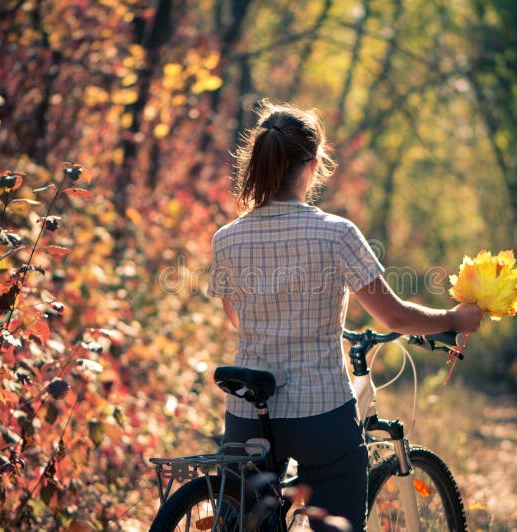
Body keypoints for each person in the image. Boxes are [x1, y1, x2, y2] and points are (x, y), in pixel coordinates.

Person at [206, 101, 482, 531]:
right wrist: (455, 319)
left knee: (248, 520)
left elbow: (236, 319)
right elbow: (399, 319)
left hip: (246, 412)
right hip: (319, 412)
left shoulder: (226, 239)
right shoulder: (335, 233)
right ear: (314, 165)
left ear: (258, 162)